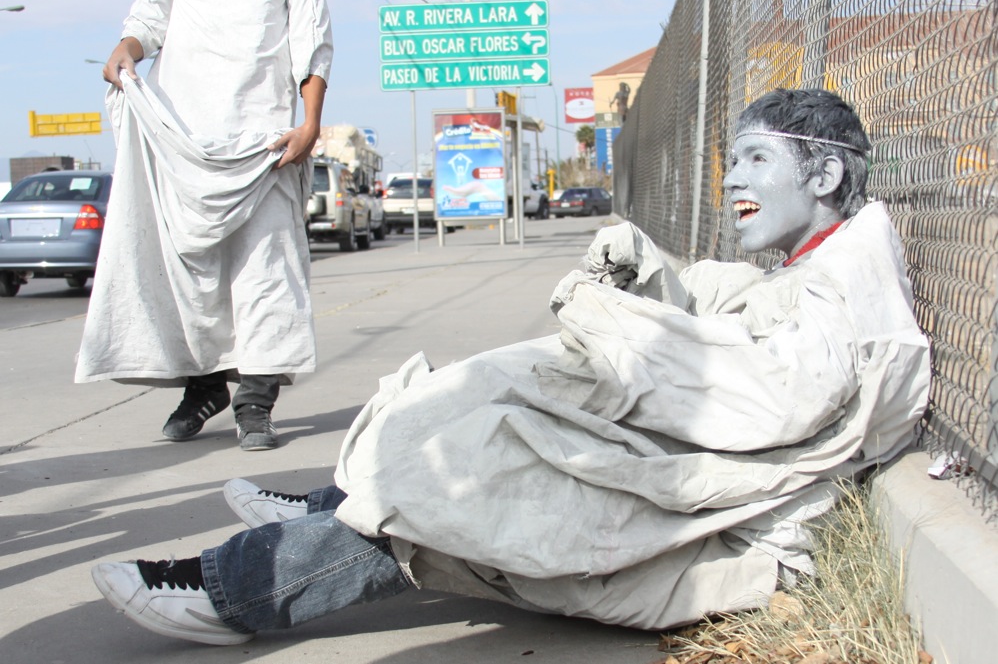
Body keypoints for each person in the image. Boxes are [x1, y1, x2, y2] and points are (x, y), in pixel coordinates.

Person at [90, 89, 931, 645]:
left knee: (474, 480)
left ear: (821, 173)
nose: (731, 179)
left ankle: (233, 589)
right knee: (474, 440)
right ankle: (326, 507)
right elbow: (746, 318)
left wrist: (617, 324)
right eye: (734, 158)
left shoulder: (847, 302)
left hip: (728, 522)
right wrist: (647, 278)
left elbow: (755, 404)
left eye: (755, 160)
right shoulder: (833, 263)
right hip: (709, 483)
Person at [73, 0, 333, 451]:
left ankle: (255, 403)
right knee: (195, 280)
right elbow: (150, 19)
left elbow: (310, 40)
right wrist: (127, 47)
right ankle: (205, 386)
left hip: (263, 142)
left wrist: (310, 122)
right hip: (180, 141)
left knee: (267, 277)